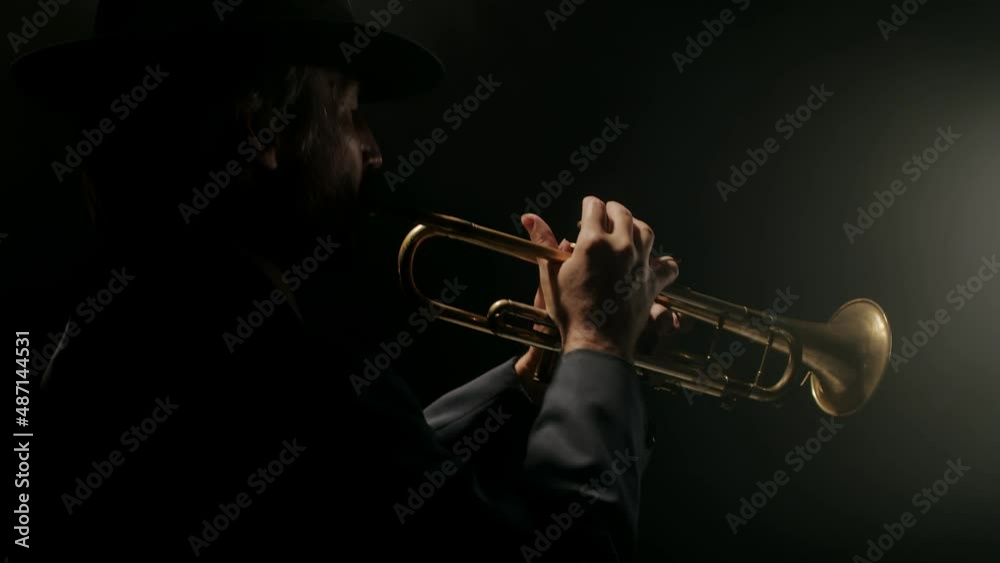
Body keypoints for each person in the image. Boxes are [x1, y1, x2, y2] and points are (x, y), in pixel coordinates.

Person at [12, 1, 681, 561]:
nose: (374, 150)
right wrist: (599, 346)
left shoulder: (118, 334)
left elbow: (387, 489)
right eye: (351, 112)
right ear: (265, 130)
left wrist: (542, 372)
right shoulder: (271, 367)